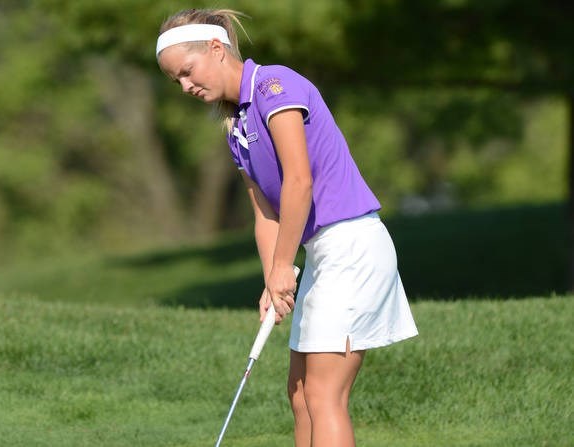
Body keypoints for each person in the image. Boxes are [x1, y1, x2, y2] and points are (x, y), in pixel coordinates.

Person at [156, 8, 419, 447]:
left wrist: (283, 267)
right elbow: (265, 215)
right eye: (175, 80)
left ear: (216, 49)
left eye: (187, 71)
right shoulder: (236, 126)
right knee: (299, 396)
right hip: (322, 254)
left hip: (352, 245)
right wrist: (271, 280)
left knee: (323, 394)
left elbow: (299, 180)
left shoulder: (274, 85)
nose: (185, 86)